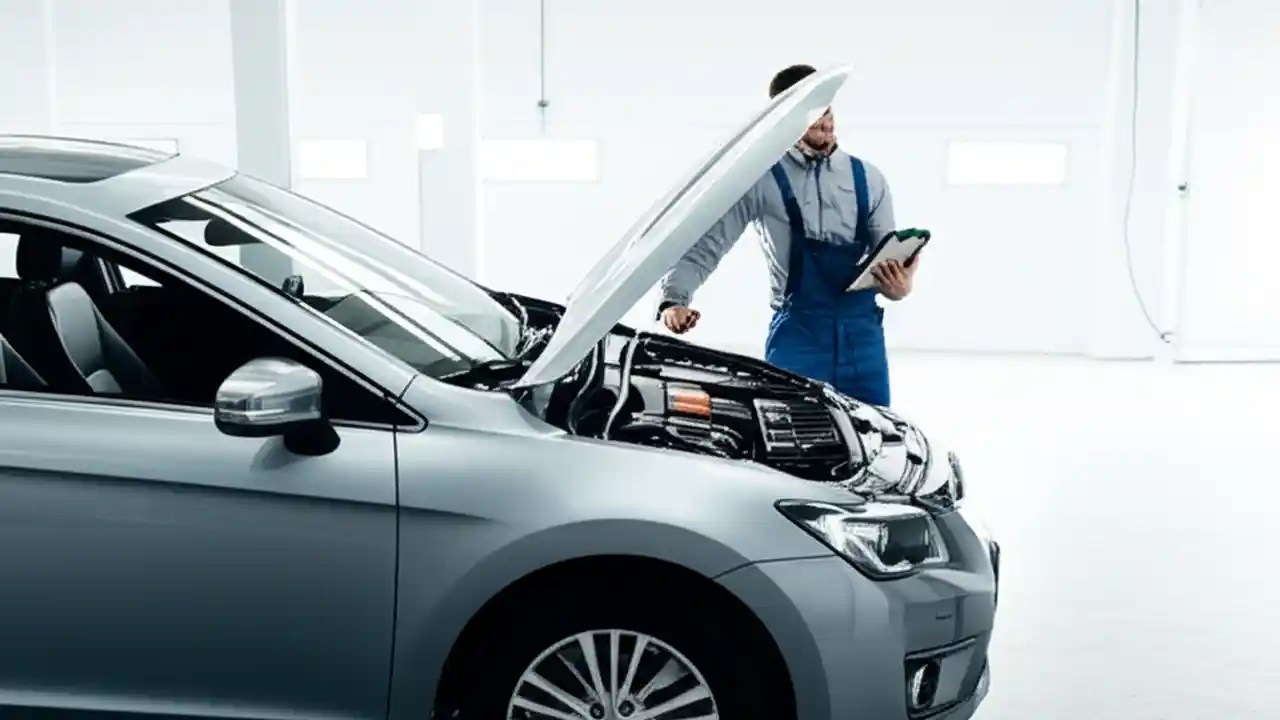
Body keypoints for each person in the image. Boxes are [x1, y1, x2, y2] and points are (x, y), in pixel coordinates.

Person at [656, 63, 920, 407]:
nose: (825, 121)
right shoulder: (761, 180)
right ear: (784, 117)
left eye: (827, 110)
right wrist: (674, 299)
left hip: (863, 343)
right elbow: (707, 246)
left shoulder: (870, 179)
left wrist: (901, 286)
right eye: (813, 114)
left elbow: (888, 259)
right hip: (798, 339)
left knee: (874, 441)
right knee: (788, 443)